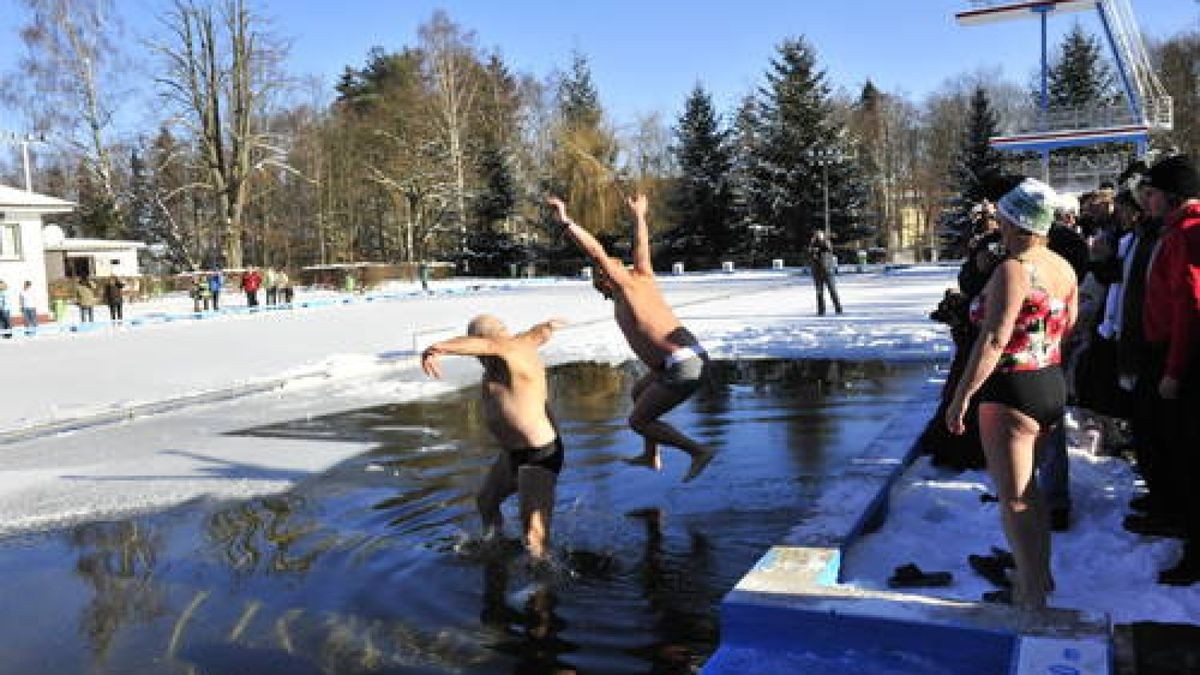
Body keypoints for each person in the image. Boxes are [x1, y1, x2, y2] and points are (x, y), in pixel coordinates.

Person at [946, 178, 1078, 610]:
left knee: (1014, 499)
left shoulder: (1014, 268)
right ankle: (1038, 577)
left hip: (1011, 389)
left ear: (1013, 219)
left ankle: (1030, 596)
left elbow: (993, 340)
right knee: (1032, 493)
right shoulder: (1062, 266)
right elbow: (1069, 326)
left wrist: (963, 395)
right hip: (1049, 383)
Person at [548, 194, 715, 482]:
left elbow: (595, 251)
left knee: (638, 420)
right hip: (686, 359)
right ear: (603, 283)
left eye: (610, 265)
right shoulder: (640, 278)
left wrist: (566, 222)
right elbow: (640, 248)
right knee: (638, 392)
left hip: (681, 364)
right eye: (608, 268)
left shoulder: (630, 284)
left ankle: (698, 451)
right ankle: (651, 455)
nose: (613, 265)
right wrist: (638, 216)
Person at [421, 315, 567, 561]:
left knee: (533, 535)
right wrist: (548, 327)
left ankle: (542, 588)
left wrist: (437, 348)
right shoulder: (510, 350)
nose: (477, 358)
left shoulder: (507, 350)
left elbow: (490, 345)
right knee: (487, 502)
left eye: (475, 347)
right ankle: (495, 549)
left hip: (538, 453)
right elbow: (537, 333)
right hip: (512, 454)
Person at [1138, 154, 1200, 585]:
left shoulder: (1186, 233)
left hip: (1183, 359)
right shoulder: (1176, 230)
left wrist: (1174, 371)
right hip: (1171, 352)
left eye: (1153, 191)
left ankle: (1195, 553)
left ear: (1173, 195)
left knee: (1189, 458)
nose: (1147, 198)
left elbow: (1190, 305)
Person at [807, 230, 843, 316]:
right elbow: (810, 254)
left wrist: (823, 240)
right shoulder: (813, 247)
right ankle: (821, 310)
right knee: (819, 292)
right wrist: (812, 247)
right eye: (817, 235)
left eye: (820, 235)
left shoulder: (826, 244)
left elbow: (828, 247)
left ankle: (838, 308)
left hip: (828, 272)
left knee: (832, 291)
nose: (818, 237)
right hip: (817, 272)